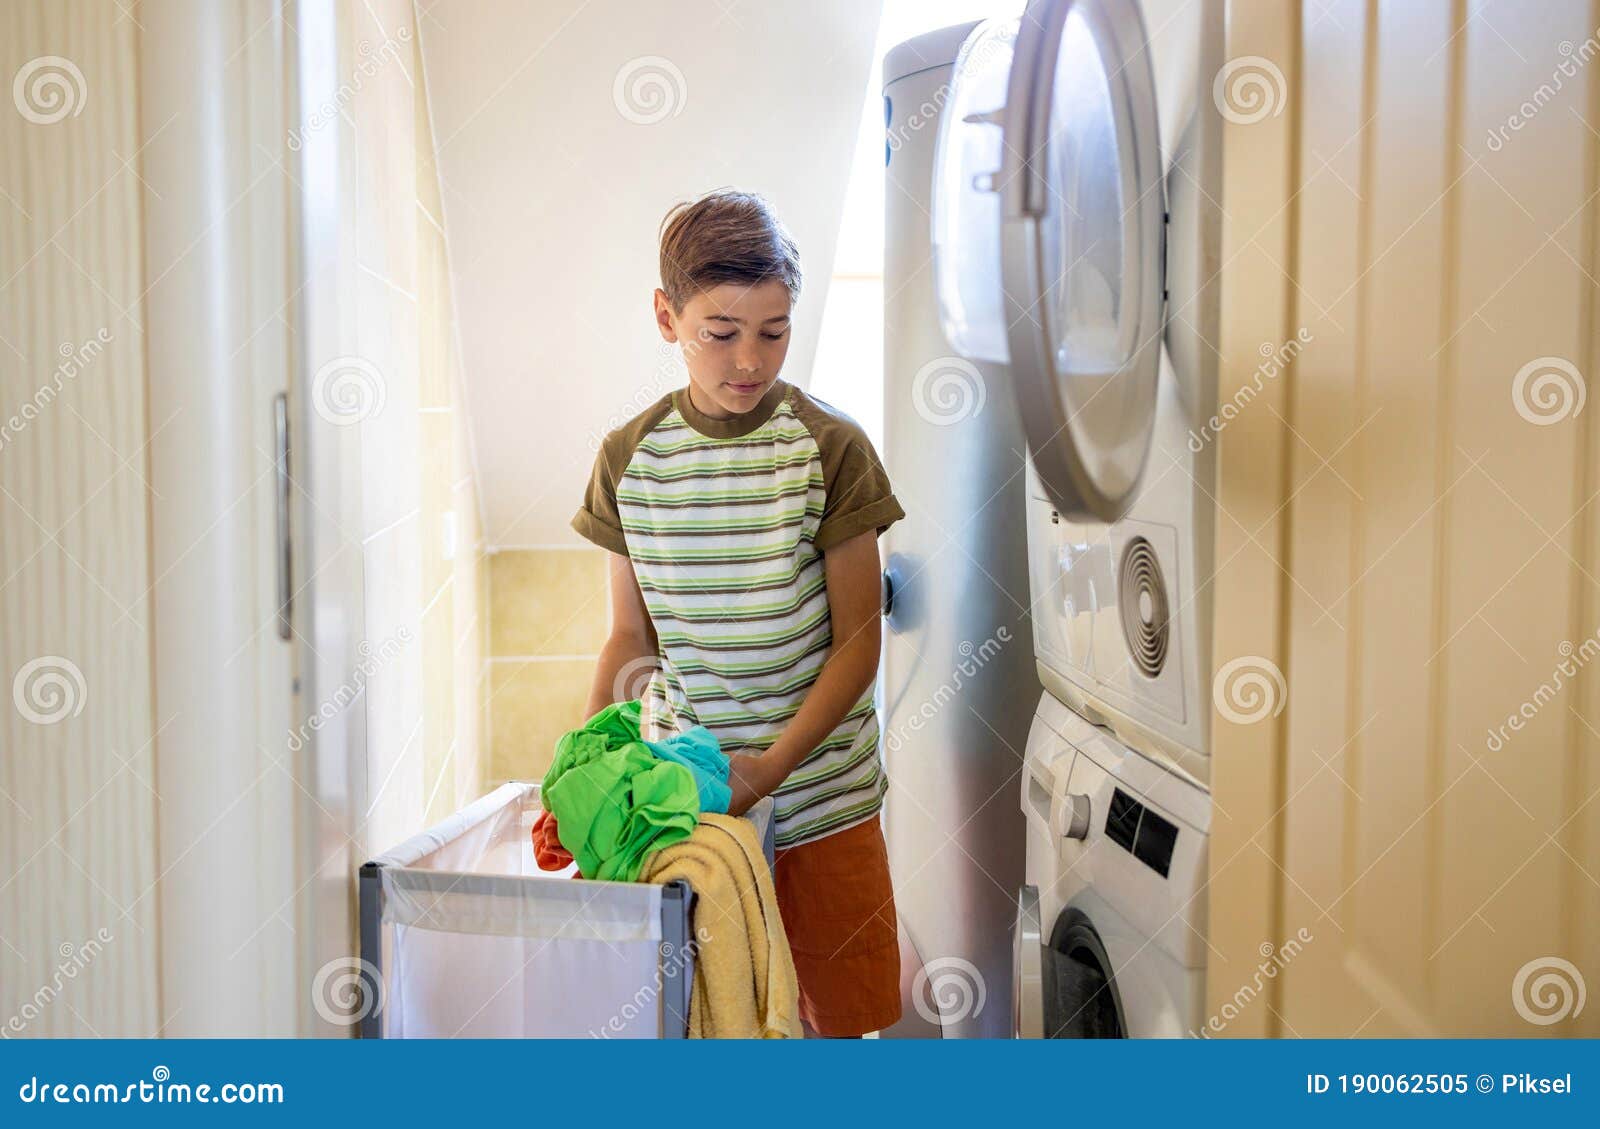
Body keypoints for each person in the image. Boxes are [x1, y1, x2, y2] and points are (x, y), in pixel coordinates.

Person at [571, 188, 905, 1038]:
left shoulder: (830, 448)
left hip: (826, 797)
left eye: (774, 330)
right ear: (666, 315)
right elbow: (630, 639)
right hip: (696, 801)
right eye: (721, 332)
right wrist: (584, 765)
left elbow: (859, 644)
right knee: (704, 1020)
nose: (749, 359)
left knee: (836, 1026)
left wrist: (774, 767)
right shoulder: (629, 458)